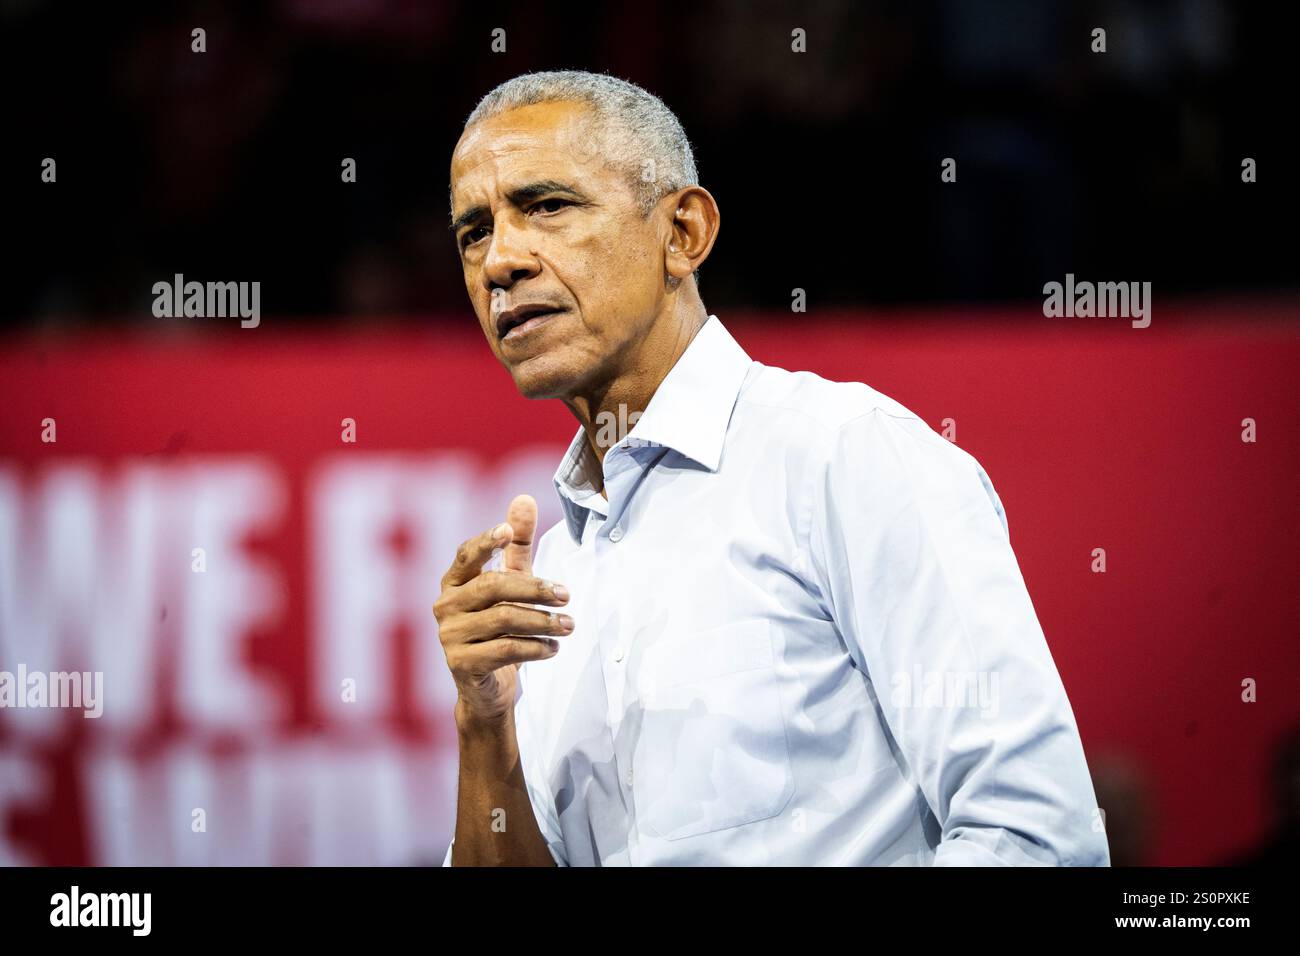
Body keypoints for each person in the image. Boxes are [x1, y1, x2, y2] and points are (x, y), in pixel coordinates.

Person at [437, 69, 1109, 866]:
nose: (500, 261)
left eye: (546, 206)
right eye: (474, 231)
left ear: (683, 232)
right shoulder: (553, 573)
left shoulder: (847, 458)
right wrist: (484, 723)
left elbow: (1038, 836)